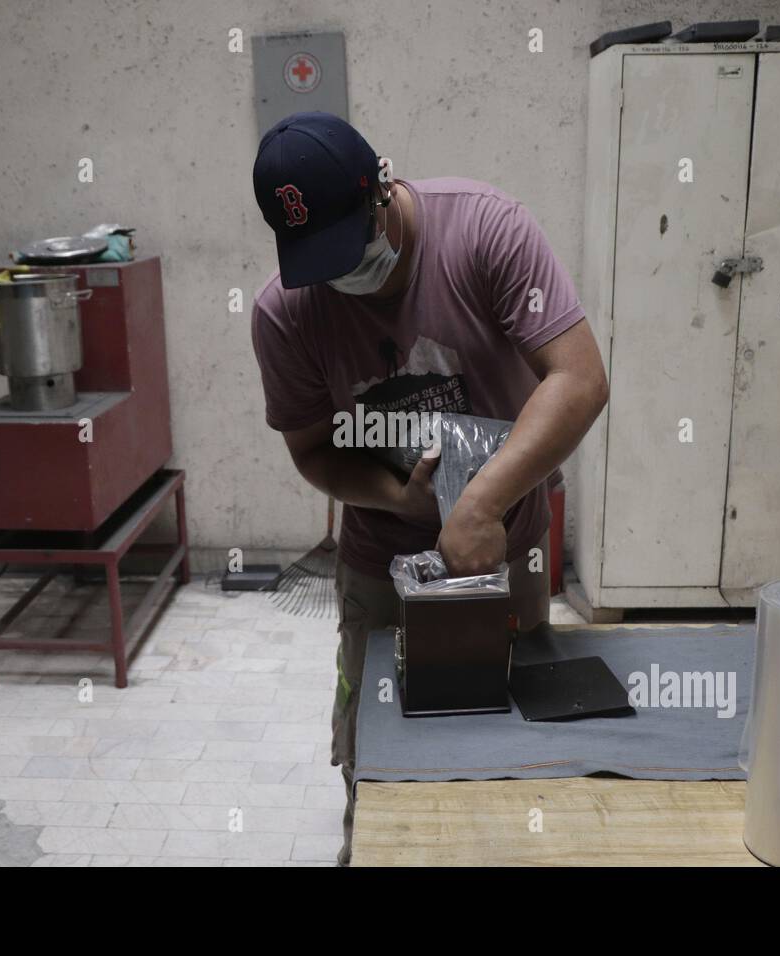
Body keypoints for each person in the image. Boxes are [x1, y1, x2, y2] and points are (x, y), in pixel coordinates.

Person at [249, 111, 608, 865]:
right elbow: (313, 450)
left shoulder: (486, 232)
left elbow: (578, 378)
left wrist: (479, 503)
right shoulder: (286, 313)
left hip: (508, 550)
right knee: (376, 740)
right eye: (321, 265)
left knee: (515, 722)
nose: (345, 278)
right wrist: (400, 502)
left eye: (351, 249)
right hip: (380, 562)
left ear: (383, 187)